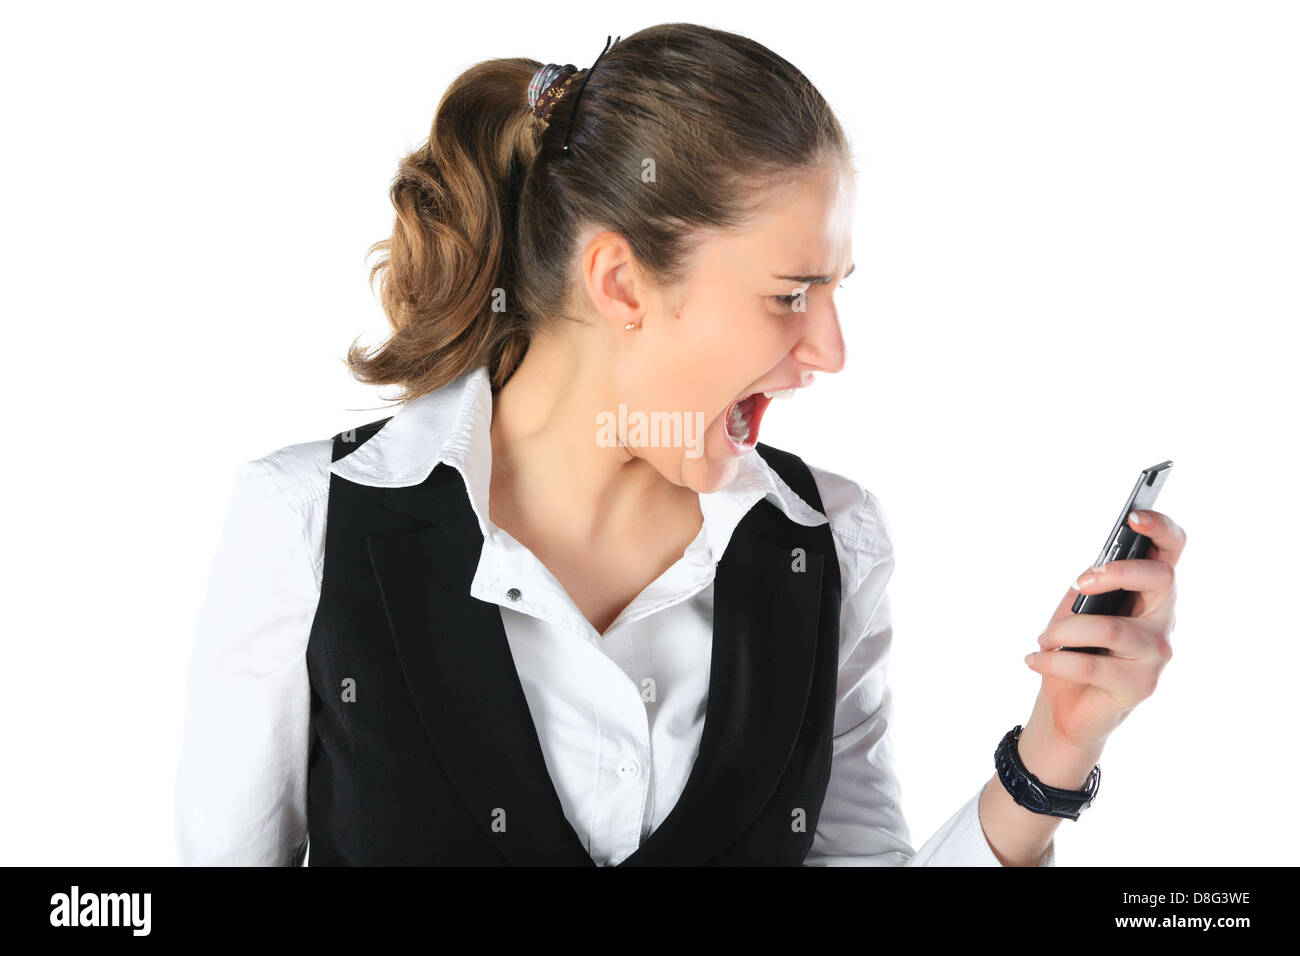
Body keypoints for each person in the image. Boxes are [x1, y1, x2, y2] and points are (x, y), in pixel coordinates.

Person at [172, 23, 1185, 866]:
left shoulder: (826, 539)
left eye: (834, 290)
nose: (829, 349)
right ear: (619, 283)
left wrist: (1049, 753)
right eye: (790, 293)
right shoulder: (307, 523)